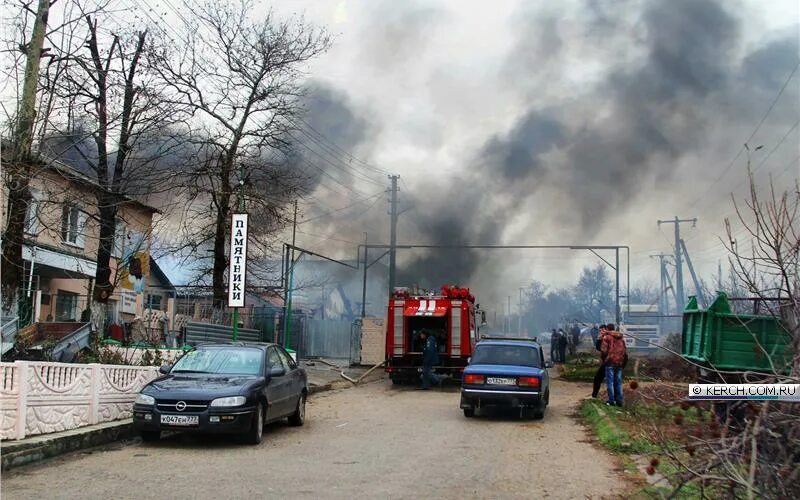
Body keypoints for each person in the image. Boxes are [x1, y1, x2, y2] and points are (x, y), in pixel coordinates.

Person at [601, 323, 627, 407]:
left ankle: (611, 401)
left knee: (610, 382)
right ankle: (619, 401)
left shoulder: (606, 337)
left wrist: (604, 359)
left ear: (607, 329)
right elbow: (625, 350)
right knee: (618, 382)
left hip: (610, 362)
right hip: (619, 362)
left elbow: (603, 350)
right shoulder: (621, 338)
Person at [591, 325, 608, 398]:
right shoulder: (604, 337)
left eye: (602, 330)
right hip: (612, 363)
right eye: (600, 330)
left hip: (608, 362)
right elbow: (598, 348)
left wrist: (600, 339)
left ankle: (594, 396)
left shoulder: (607, 338)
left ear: (606, 329)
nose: (600, 332)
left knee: (598, 378)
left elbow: (600, 348)